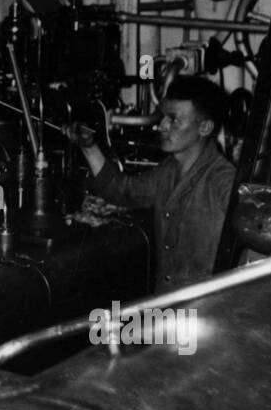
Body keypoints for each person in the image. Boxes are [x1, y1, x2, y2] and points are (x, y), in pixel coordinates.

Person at [65, 76, 235, 293]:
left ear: (205, 127)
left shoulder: (223, 180)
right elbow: (123, 190)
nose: (161, 126)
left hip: (206, 308)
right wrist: (88, 147)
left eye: (173, 119)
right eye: (163, 117)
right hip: (168, 303)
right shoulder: (169, 170)